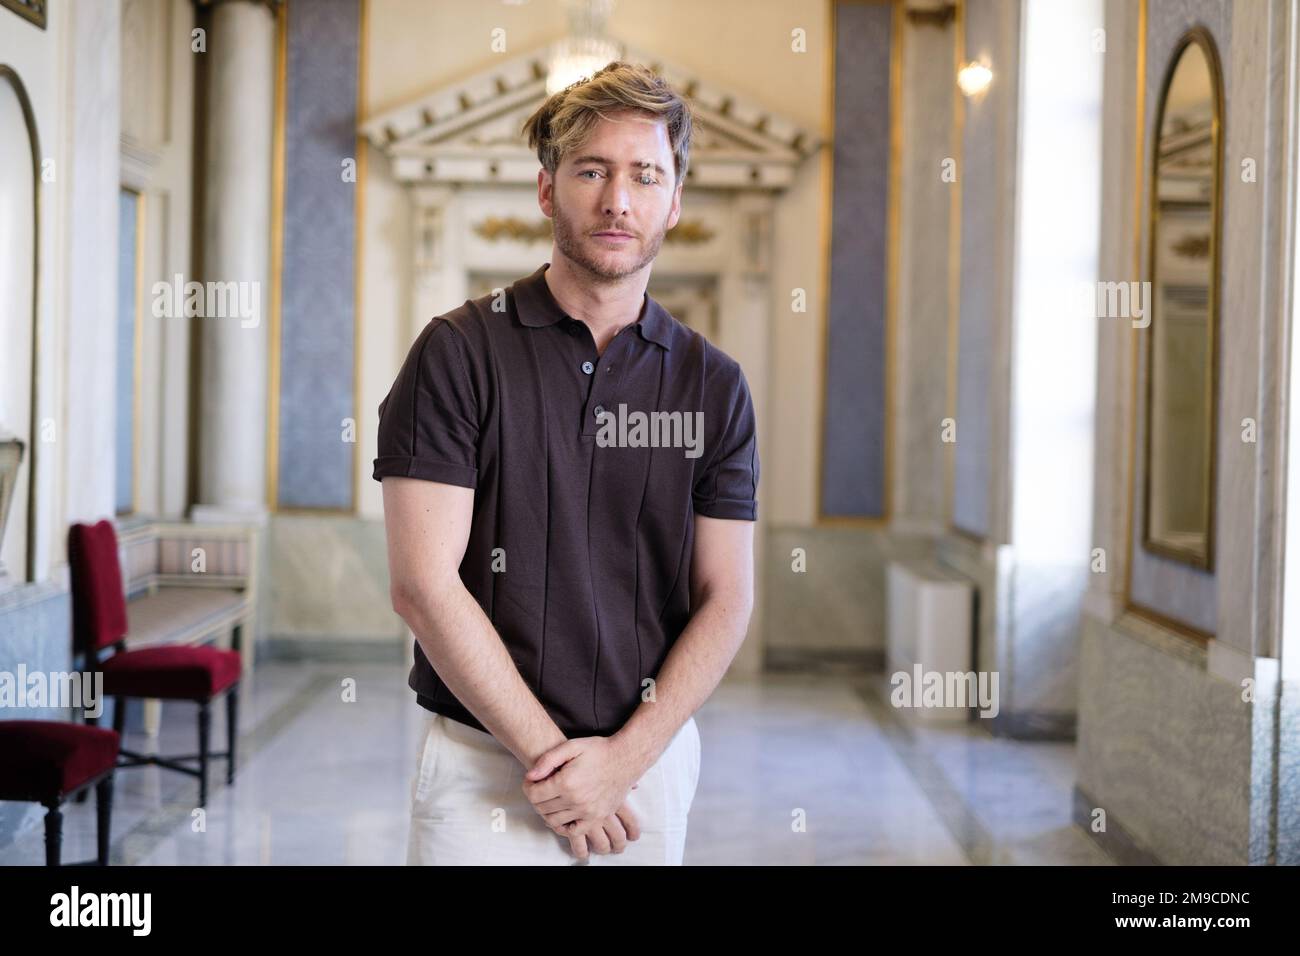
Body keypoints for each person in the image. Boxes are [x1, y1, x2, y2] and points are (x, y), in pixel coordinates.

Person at [373, 61, 759, 865]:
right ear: (548, 190)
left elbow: (725, 600)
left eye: (645, 175)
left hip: (642, 770)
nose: (618, 199)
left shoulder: (713, 384)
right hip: (480, 764)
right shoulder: (458, 353)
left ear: (674, 201)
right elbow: (422, 585)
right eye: (592, 171)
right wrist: (554, 762)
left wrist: (620, 761)